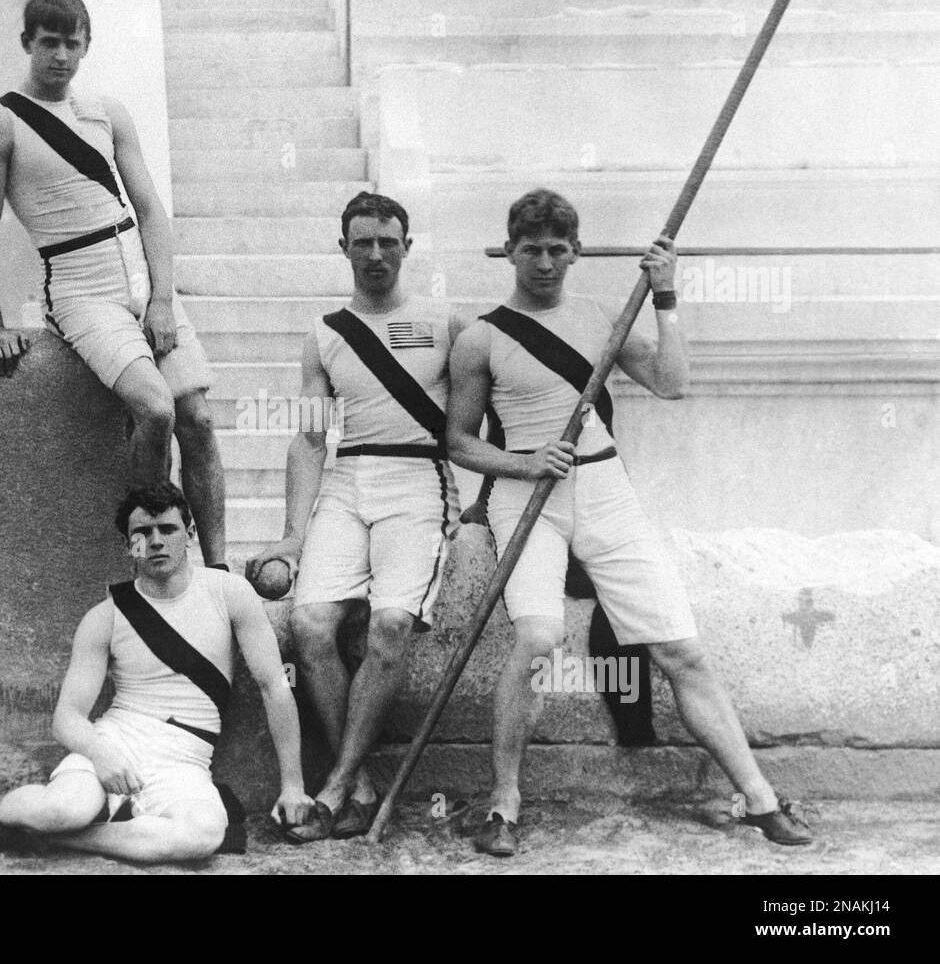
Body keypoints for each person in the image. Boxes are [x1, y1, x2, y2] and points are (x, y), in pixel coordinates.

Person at [446, 188, 813, 856]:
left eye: (559, 250)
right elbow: (459, 442)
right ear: (510, 251)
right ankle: (503, 803)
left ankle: (758, 795)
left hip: (605, 487)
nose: (546, 263)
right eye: (532, 250)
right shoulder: (482, 337)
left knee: (681, 649)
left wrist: (666, 297)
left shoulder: (600, 320)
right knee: (537, 640)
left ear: (577, 251)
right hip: (527, 497)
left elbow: (672, 383)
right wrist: (525, 464)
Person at [0, 482, 314, 863]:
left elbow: (275, 687)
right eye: (141, 534)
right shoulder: (105, 616)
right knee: (61, 809)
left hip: (185, 758)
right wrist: (101, 753)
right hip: (116, 739)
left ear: (190, 535)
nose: (155, 542)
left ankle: (48, 840)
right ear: (127, 545)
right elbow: (67, 717)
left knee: (203, 835)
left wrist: (292, 785)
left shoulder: (229, 594)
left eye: (167, 530)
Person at [0, 0, 227, 567]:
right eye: (49, 42)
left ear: (86, 46)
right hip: (80, 289)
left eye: (71, 43)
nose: (60, 55)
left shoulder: (106, 111)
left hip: (140, 277)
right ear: (27, 42)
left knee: (199, 420)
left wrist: (161, 298)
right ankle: (149, 550)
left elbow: (151, 210)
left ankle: (218, 568)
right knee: (155, 409)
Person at [246, 192, 468, 841]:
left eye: (388, 241)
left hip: (418, 479)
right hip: (349, 479)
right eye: (363, 242)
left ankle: (337, 785)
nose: (376, 254)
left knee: (391, 625)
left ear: (407, 246)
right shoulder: (325, 335)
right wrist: (294, 530)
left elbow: (483, 414)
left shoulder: (444, 323)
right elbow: (312, 439)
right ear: (343, 247)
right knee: (312, 623)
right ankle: (362, 785)